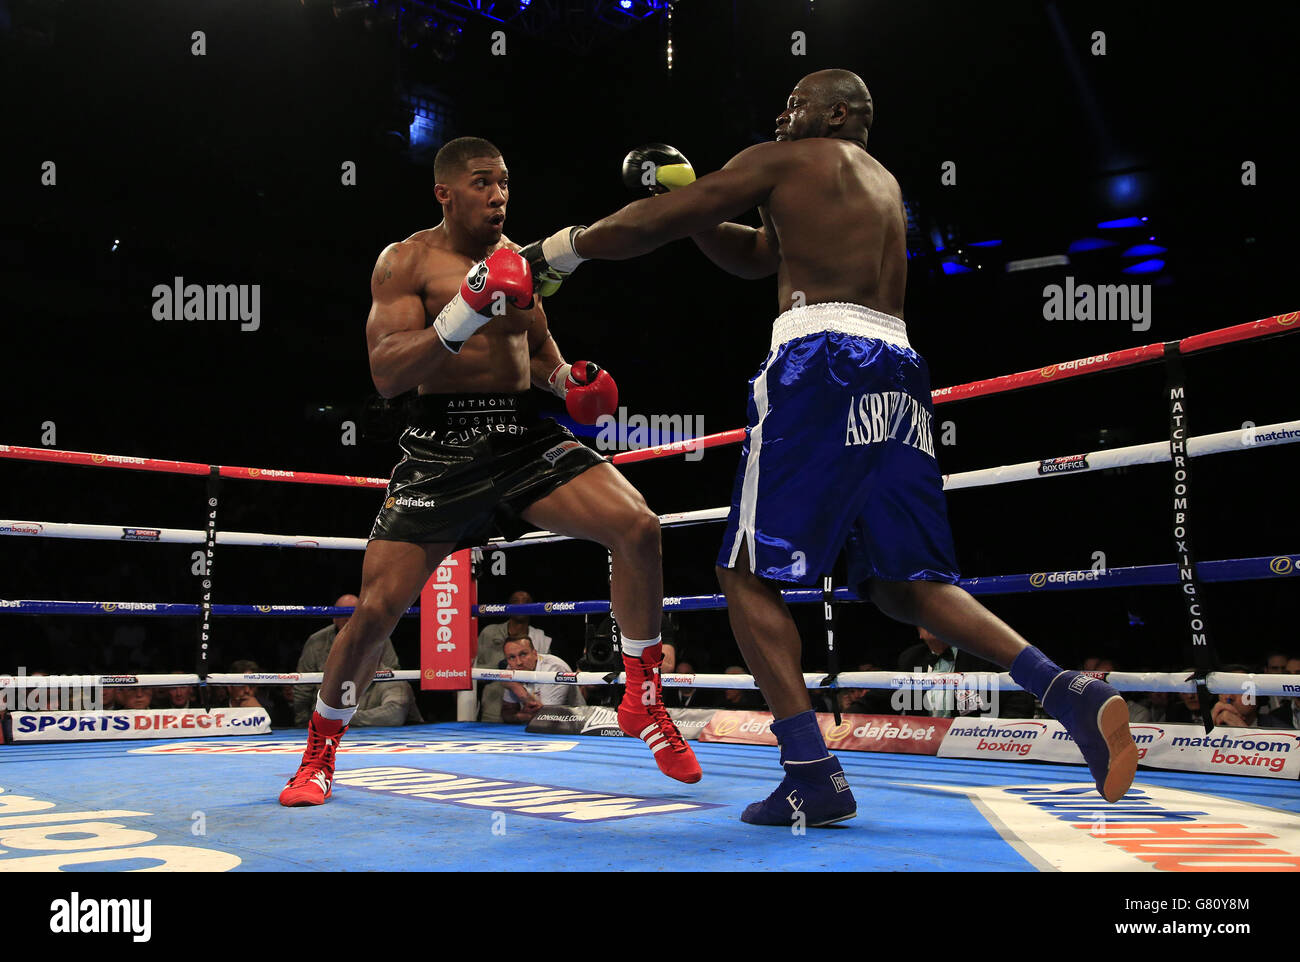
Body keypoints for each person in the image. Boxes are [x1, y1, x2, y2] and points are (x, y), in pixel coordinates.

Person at [523, 70, 1137, 825]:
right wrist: (689, 208)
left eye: (796, 104)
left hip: (820, 365)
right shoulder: (879, 184)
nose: (782, 116)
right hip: (899, 376)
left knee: (743, 570)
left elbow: (652, 227)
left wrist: (557, 250)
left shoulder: (783, 161)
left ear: (838, 113)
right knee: (901, 583)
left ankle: (811, 771)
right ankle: (1064, 688)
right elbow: (754, 256)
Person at [279, 137, 699, 807]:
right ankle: (319, 755)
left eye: (504, 182)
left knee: (638, 526)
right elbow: (388, 373)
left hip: (522, 437)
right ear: (445, 192)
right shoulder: (405, 261)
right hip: (441, 446)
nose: (498, 194)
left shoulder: (521, 263)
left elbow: (537, 355)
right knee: (377, 611)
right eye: (481, 183)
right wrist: (463, 310)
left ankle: (642, 700)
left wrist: (571, 383)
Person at [291, 596, 423, 729]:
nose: (350, 621)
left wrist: (342, 718)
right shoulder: (317, 642)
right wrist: (302, 724)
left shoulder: (380, 638)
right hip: (337, 699)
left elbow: (392, 675)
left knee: (393, 686)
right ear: (334, 618)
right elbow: (303, 687)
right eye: (345, 616)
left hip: (370, 701)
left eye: (354, 615)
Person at [499, 634, 585, 724]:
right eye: (512, 657)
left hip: (575, 726)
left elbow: (547, 719)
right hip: (535, 728)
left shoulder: (555, 669)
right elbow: (507, 714)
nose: (518, 662)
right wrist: (523, 716)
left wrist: (519, 690)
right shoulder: (511, 668)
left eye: (523, 654)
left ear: (535, 654)